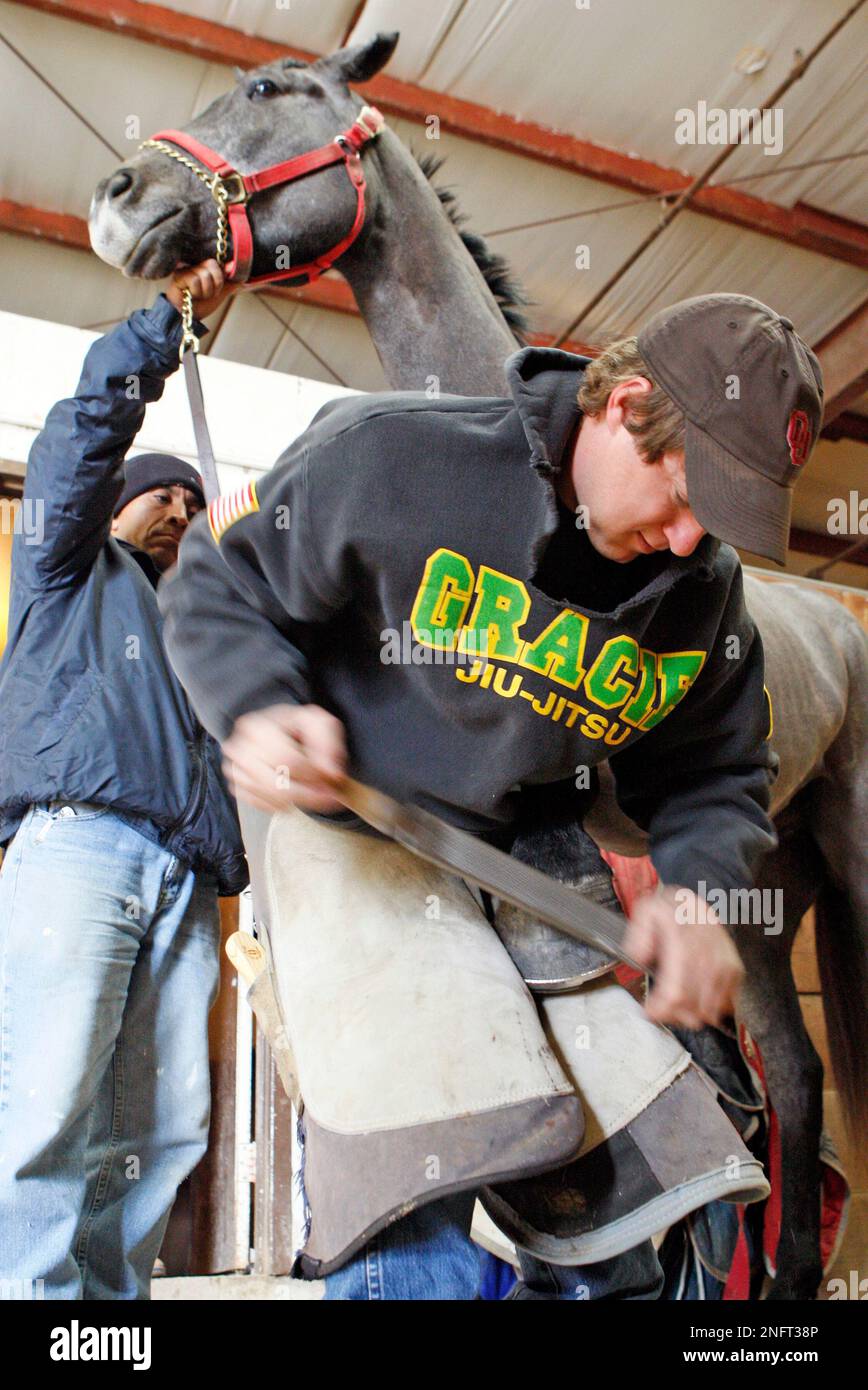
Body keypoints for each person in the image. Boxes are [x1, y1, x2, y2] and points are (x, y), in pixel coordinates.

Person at [158, 292, 823, 1299]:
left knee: (626, 1184)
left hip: (527, 841)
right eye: (684, 492)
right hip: (354, 815)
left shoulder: (702, 592)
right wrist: (255, 705)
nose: (690, 541)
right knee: (419, 1165)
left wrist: (696, 889)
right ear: (623, 403)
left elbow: (716, 771)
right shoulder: (392, 456)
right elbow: (214, 574)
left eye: (719, 522)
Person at [0, 261, 247, 1300]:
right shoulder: (64, 568)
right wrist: (169, 324)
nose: (180, 507)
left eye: (195, 499)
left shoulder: (212, 632)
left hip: (188, 882)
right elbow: (78, 434)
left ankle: (105, 1323)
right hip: (81, 842)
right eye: (161, 491)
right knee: (51, 1104)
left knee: (162, 1125)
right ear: (111, 503)